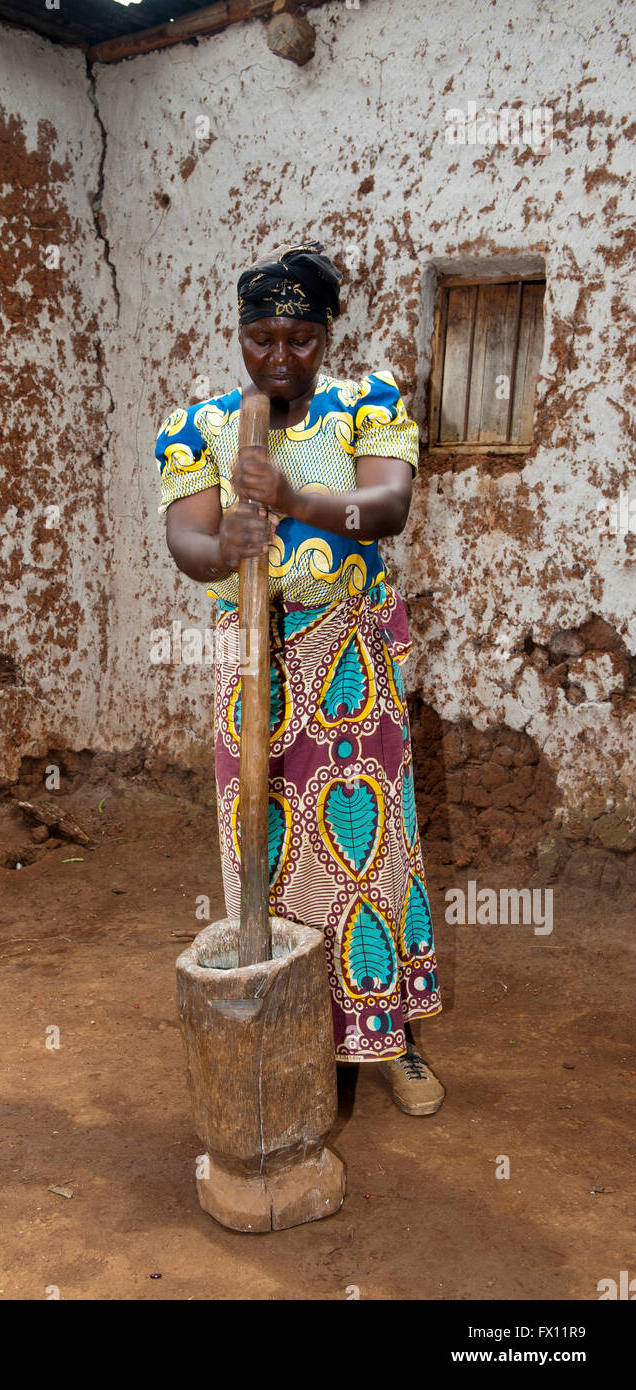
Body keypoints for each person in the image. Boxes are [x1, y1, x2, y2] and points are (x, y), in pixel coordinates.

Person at [155, 242, 444, 1117]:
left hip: (352, 659)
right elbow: (187, 543)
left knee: (368, 854)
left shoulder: (368, 403)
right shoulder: (200, 425)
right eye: (261, 338)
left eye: (302, 339)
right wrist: (221, 551)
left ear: (329, 335)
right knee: (269, 856)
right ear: (240, 335)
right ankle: (291, 1037)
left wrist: (292, 500)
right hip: (254, 668)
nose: (279, 358)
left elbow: (386, 507)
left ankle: (386, 1038)